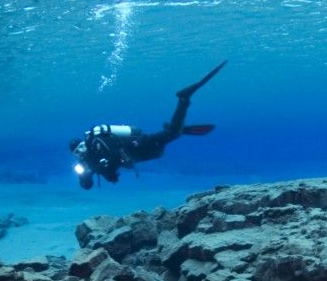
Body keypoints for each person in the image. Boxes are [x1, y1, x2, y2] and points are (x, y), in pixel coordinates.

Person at [69, 60, 225, 189]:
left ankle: (183, 99)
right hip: (145, 154)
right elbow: (90, 185)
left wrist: (108, 163)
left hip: (143, 144)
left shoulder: (97, 142)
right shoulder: (88, 163)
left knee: (173, 134)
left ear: (84, 142)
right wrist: (84, 175)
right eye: (77, 152)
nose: (80, 151)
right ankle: (173, 127)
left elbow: (116, 152)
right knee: (168, 138)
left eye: (80, 147)